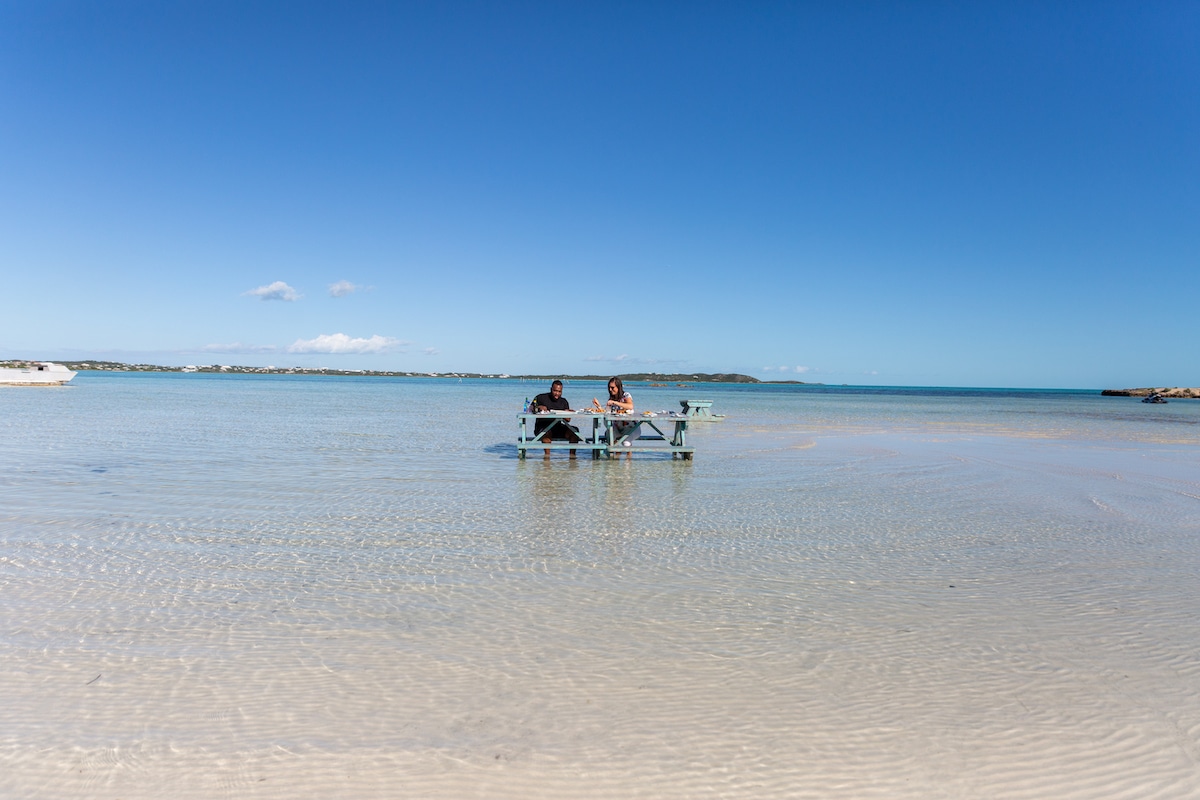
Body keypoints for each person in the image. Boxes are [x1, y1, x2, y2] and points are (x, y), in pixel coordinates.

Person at [531, 380, 580, 458]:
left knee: (574, 431)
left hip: (558, 427)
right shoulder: (541, 397)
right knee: (546, 433)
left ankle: (572, 458)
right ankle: (547, 459)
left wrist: (567, 412)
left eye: (559, 391)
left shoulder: (563, 401)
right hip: (542, 427)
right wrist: (538, 407)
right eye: (555, 391)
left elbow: (568, 420)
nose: (557, 394)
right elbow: (531, 408)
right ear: (551, 389)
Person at [593, 376, 637, 455]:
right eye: (609, 388)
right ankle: (615, 463)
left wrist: (615, 402)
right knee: (609, 434)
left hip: (631, 427)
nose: (610, 390)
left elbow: (630, 406)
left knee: (626, 443)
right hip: (618, 427)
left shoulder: (626, 395)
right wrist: (599, 406)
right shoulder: (611, 399)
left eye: (612, 387)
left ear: (618, 387)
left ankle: (629, 463)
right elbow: (606, 413)